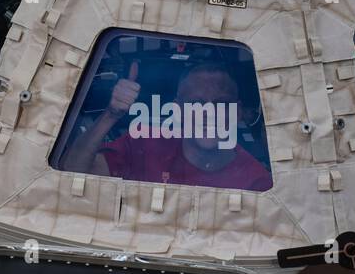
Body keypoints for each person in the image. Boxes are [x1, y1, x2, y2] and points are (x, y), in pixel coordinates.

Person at [63, 60, 272, 190]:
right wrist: (111, 114)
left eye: (221, 103)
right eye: (195, 103)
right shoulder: (143, 144)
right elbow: (73, 170)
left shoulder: (254, 180)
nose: (208, 113)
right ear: (177, 111)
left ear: (237, 112)